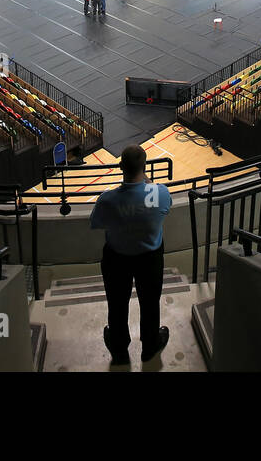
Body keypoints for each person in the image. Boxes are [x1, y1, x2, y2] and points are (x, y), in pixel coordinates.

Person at [89, 145, 172, 365]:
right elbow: (160, 205)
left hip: (117, 259)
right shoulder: (158, 193)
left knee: (116, 303)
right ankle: (150, 346)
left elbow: (96, 224)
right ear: (144, 167)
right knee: (150, 302)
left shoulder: (108, 199)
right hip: (150, 258)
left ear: (120, 167)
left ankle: (119, 349)